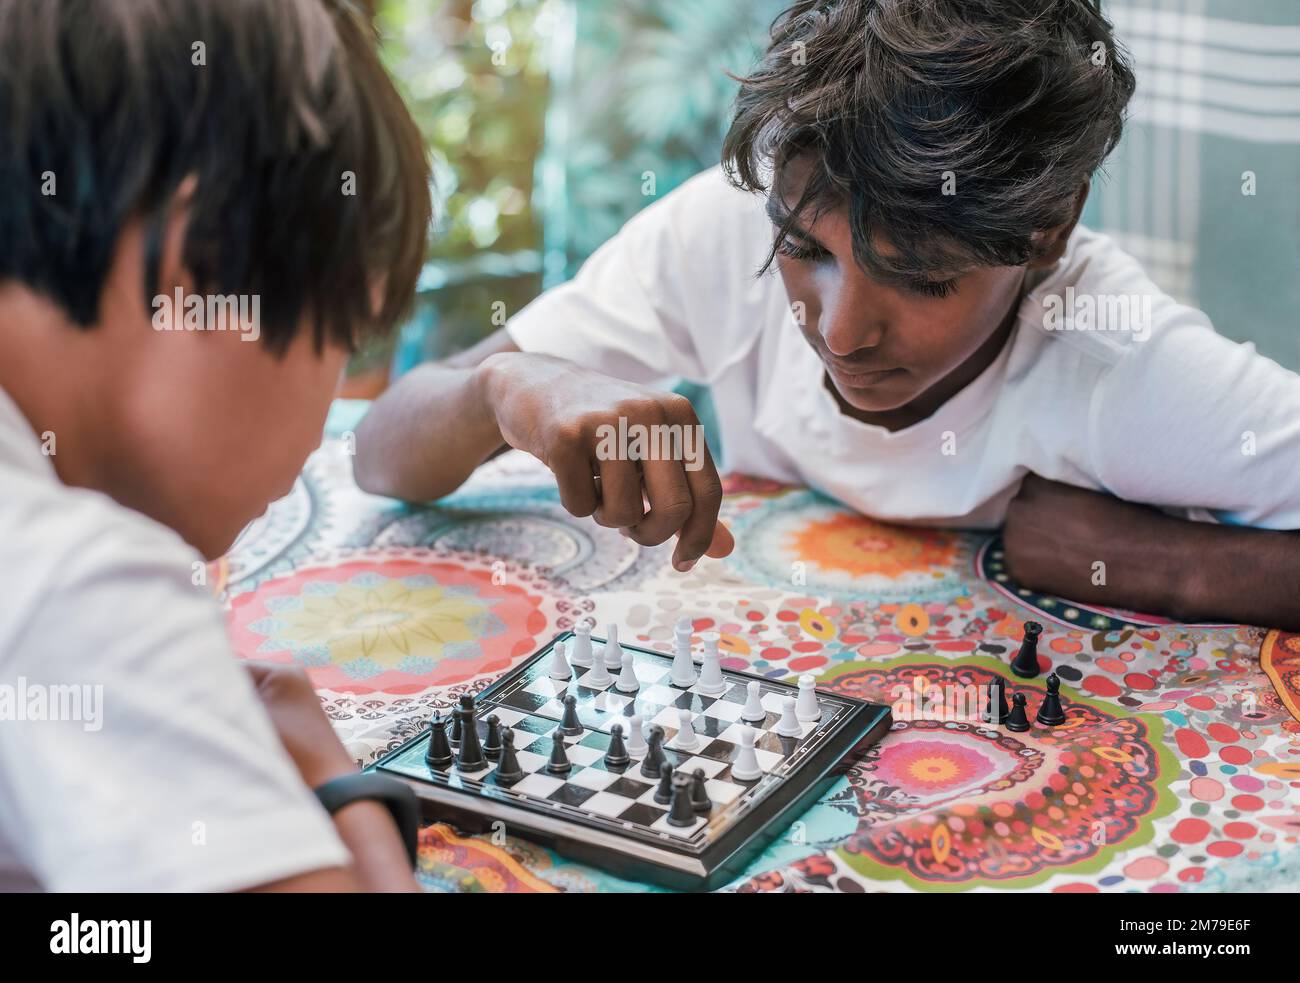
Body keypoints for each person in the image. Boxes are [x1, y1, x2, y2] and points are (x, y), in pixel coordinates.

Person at [356, 0, 1300, 630]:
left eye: (923, 277)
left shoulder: (1122, 362)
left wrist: (1170, 565)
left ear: (1049, 233)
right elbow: (380, 453)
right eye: (804, 252)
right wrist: (502, 384)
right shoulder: (722, 232)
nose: (840, 332)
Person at [0, 0, 431, 890]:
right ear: (196, 268)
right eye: (342, 339)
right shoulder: (76, 580)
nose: (324, 422)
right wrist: (334, 790)